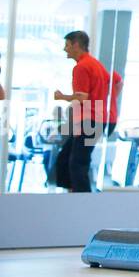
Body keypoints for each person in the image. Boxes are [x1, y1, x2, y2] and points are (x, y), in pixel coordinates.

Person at [52, 31, 111, 193]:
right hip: (97, 118)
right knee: (65, 158)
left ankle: (83, 201)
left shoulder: (82, 67)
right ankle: (72, 193)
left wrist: (61, 96)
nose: (65, 49)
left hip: (89, 120)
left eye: (67, 45)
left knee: (77, 163)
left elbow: (81, 97)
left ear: (76, 45)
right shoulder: (96, 64)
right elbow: (116, 80)